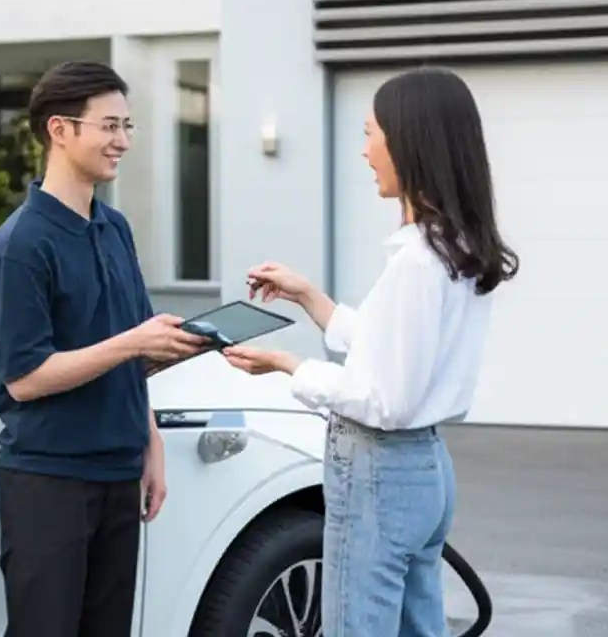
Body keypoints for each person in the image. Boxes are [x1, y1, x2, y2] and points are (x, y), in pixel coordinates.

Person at [221, 66, 518, 636]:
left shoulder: (415, 263)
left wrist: (288, 365)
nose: (364, 152)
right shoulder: (453, 249)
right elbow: (395, 350)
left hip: (381, 469)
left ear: (409, 142)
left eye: (370, 134)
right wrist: (312, 298)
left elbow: (385, 400)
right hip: (424, 469)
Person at [0, 61, 207, 637]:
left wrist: (149, 439)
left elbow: (128, 350)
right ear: (61, 130)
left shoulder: (114, 228)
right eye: (110, 126)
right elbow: (25, 378)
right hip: (49, 484)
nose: (123, 141)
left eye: (127, 126)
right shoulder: (20, 246)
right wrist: (133, 341)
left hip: (117, 474)